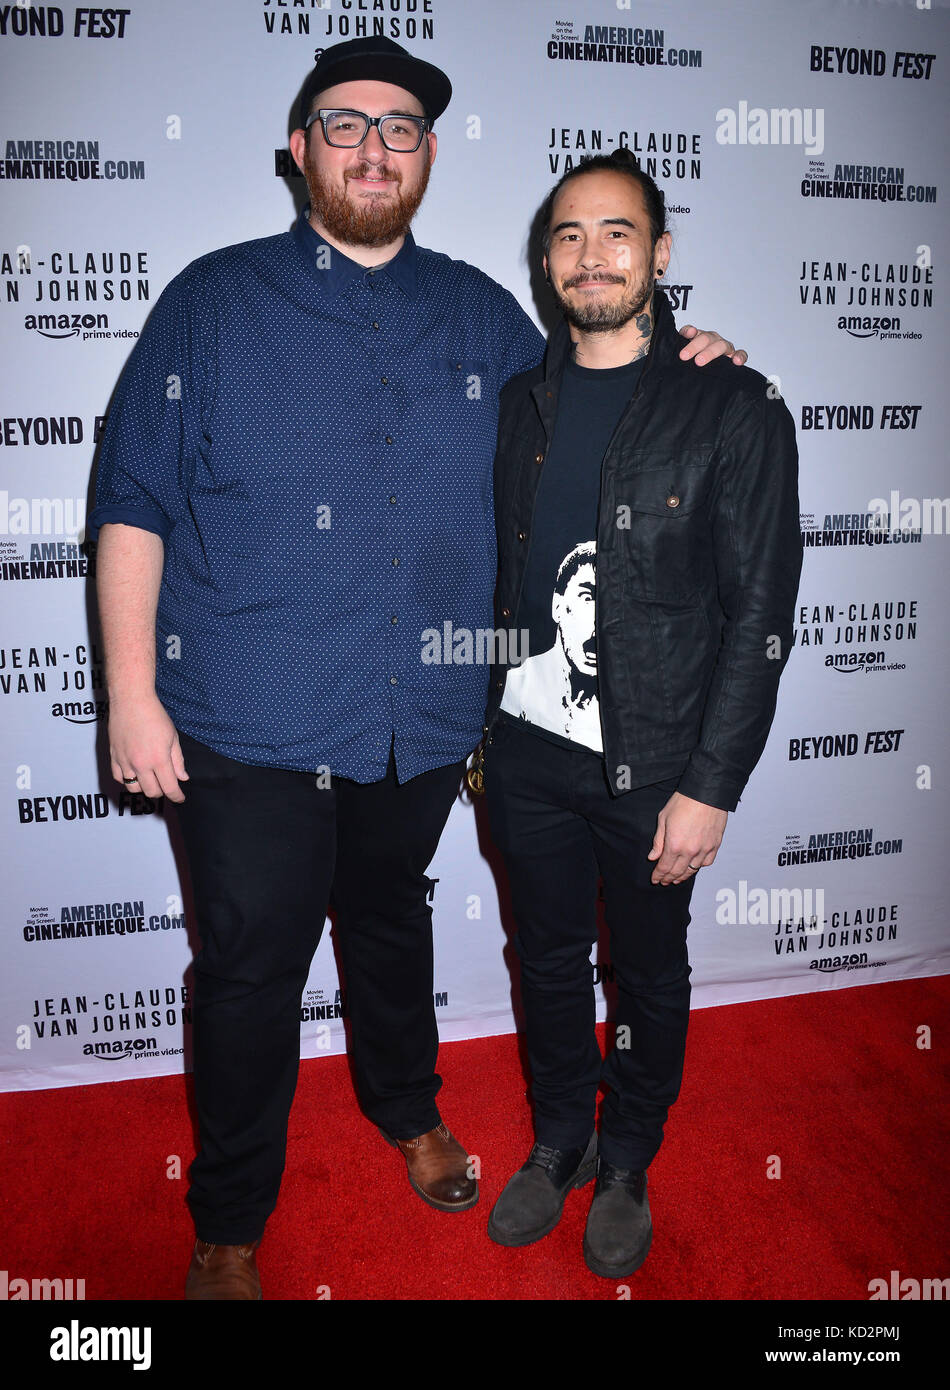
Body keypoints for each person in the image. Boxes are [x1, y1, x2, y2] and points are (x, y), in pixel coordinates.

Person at [88, 39, 745, 1300]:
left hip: (426, 718)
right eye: (345, 125)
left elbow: (598, 400)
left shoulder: (487, 319)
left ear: (430, 158)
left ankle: (407, 1110)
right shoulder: (210, 304)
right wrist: (131, 693)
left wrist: (687, 358)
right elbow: (133, 502)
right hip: (250, 719)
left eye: (401, 129)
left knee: (389, 926)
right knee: (249, 968)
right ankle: (228, 1221)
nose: (374, 148)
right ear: (300, 151)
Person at [482, 149, 802, 1280]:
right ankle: (560, 1136)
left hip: (656, 760)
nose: (590, 255)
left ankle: (625, 1158)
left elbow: (760, 610)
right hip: (525, 753)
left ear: (659, 255)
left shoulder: (732, 404)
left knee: (648, 971)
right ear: (545, 260)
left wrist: (710, 783)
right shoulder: (523, 398)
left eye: (616, 233)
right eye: (567, 236)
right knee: (547, 957)